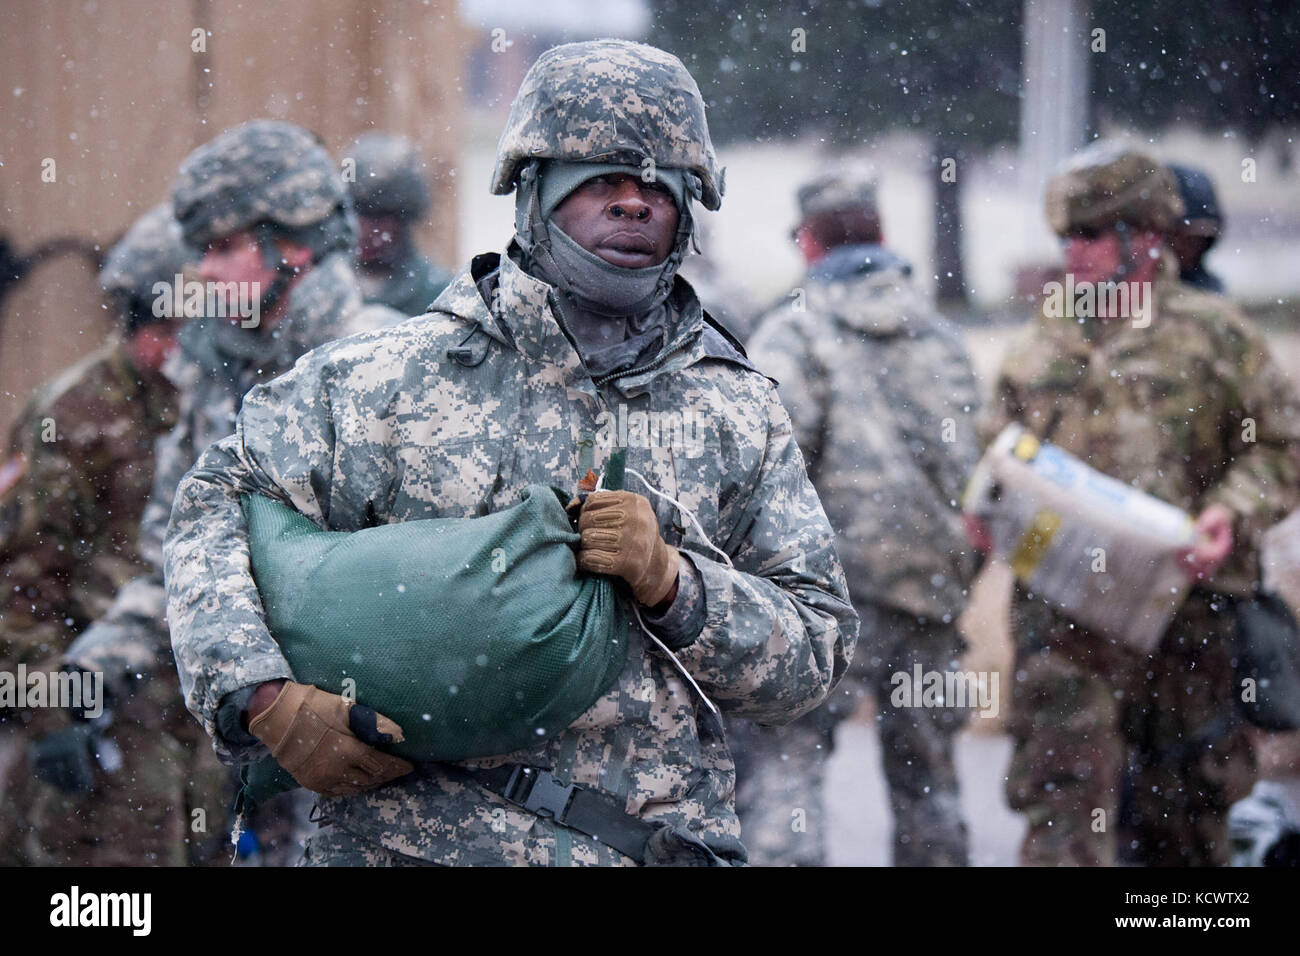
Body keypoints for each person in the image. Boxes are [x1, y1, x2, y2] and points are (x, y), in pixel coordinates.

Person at [163, 39, 858, 867]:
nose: (634, 204)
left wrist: (676, 585)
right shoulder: (389, 376)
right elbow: (215, 501)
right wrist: (260, 695)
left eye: (658, 187)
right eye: (601, 180)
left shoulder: (736, 410)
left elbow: (814, 655)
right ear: (535, 193)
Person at [61, 121, 399, 865]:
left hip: (381, 773)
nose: (203, 273)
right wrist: (88, 676)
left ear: (297, 245)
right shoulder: (224, 379)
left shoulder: (387, 367)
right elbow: (172, 565)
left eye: (221, 248)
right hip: (260, 772)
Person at [982, 142, 1300, 866]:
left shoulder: (1217, 337)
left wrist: (1230, 513)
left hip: (1185, 617)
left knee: (1182, 822)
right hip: (1062, 619)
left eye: (1093, 234)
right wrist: (986, 511)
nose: (1076, 253)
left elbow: (1281, 448)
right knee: (1059, 810)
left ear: (1147, 237)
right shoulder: (1044, 339)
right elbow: (995, 449)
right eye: (1067, 237)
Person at [738, 165, 981, 866]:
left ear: (809, 243)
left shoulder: (794, 334)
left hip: (827, 599)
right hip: (932, 592)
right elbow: (972, 469)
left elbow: (767, 462)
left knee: (791, 766)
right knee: (929, 782)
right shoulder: (941, 337)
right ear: (883, 236)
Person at [0, 203, 216, 864]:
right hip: (103, 708)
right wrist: (47, 717)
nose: (174, 345)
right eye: (162, 326)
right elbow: (22, 581)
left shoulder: (217, 401)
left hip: (199, 708)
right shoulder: (71, 415)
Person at [347, 133, 452, 316]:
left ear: (404, 219)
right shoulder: (319, 287)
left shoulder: (437, 295)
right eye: (356, 213)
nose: (363, 229)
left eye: (378, 217)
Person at [1167, 163, 1224, 294]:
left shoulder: (1210, 291)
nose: (1189, 249)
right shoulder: (1136, 289)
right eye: (1181, 237)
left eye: (1199, 239)